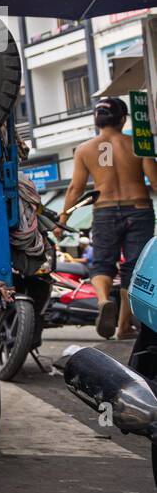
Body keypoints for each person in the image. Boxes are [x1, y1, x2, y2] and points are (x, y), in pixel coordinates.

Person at [61, 96, 157, 339]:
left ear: (97, 120)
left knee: (102, 264)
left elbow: (75, 187)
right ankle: (124, 326)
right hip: (139, 208)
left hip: (103, 210)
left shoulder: (84, 150)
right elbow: (155, 181)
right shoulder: (137, 143)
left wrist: (62, 222)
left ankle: (104, 301)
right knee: (133, 268)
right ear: (123, 119)